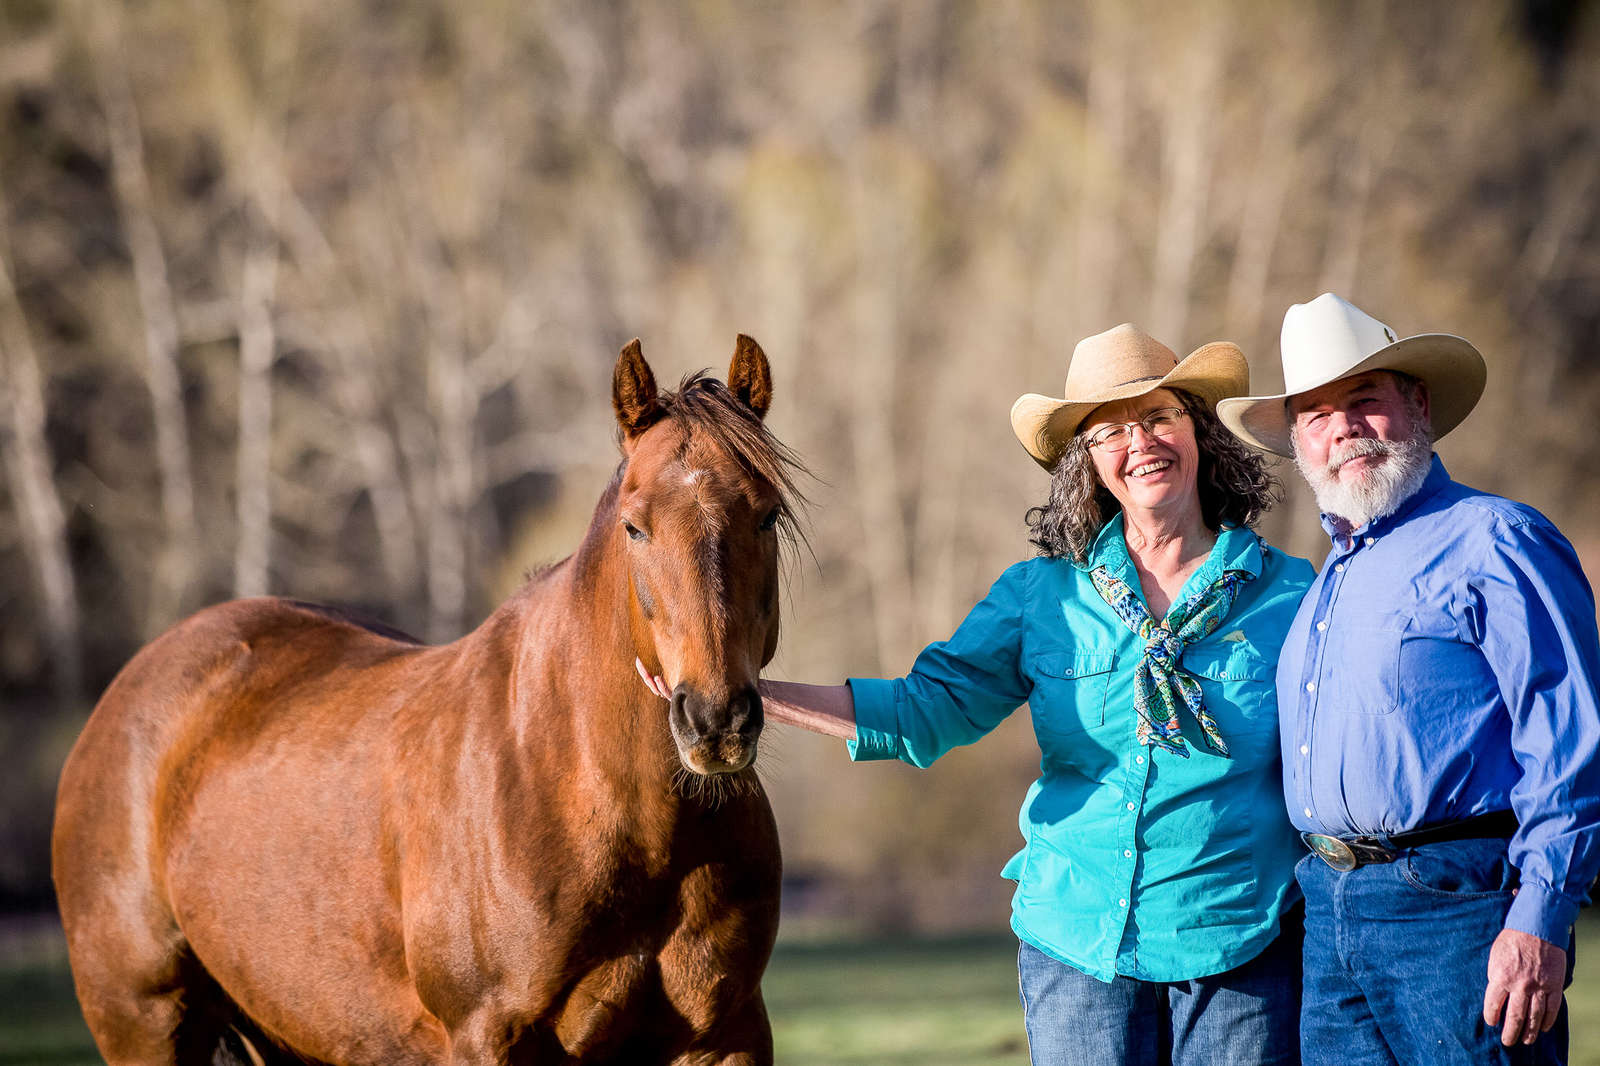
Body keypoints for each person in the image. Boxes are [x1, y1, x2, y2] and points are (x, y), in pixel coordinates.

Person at [641, 323, 1313, 1065]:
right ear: (1088, 463)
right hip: (1078, 948)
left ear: (1199, 434)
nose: (1140, 443)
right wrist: (748, 693)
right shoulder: (1041, 597)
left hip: (1238, 949)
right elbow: (925, 713)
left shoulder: (1291, 595)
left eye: (1160, 417)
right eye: (1111, 431)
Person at [1216, 292, 1600, 1066]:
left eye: (1365, 400)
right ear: (1299, 442)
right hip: (1328, 912)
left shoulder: (1496, 539)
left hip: (1457, 908)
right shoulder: (1324, 585)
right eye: (1316, 415)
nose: (1343, 429)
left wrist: (1542, 915)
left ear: (1417, 404)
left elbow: (1570, 743)